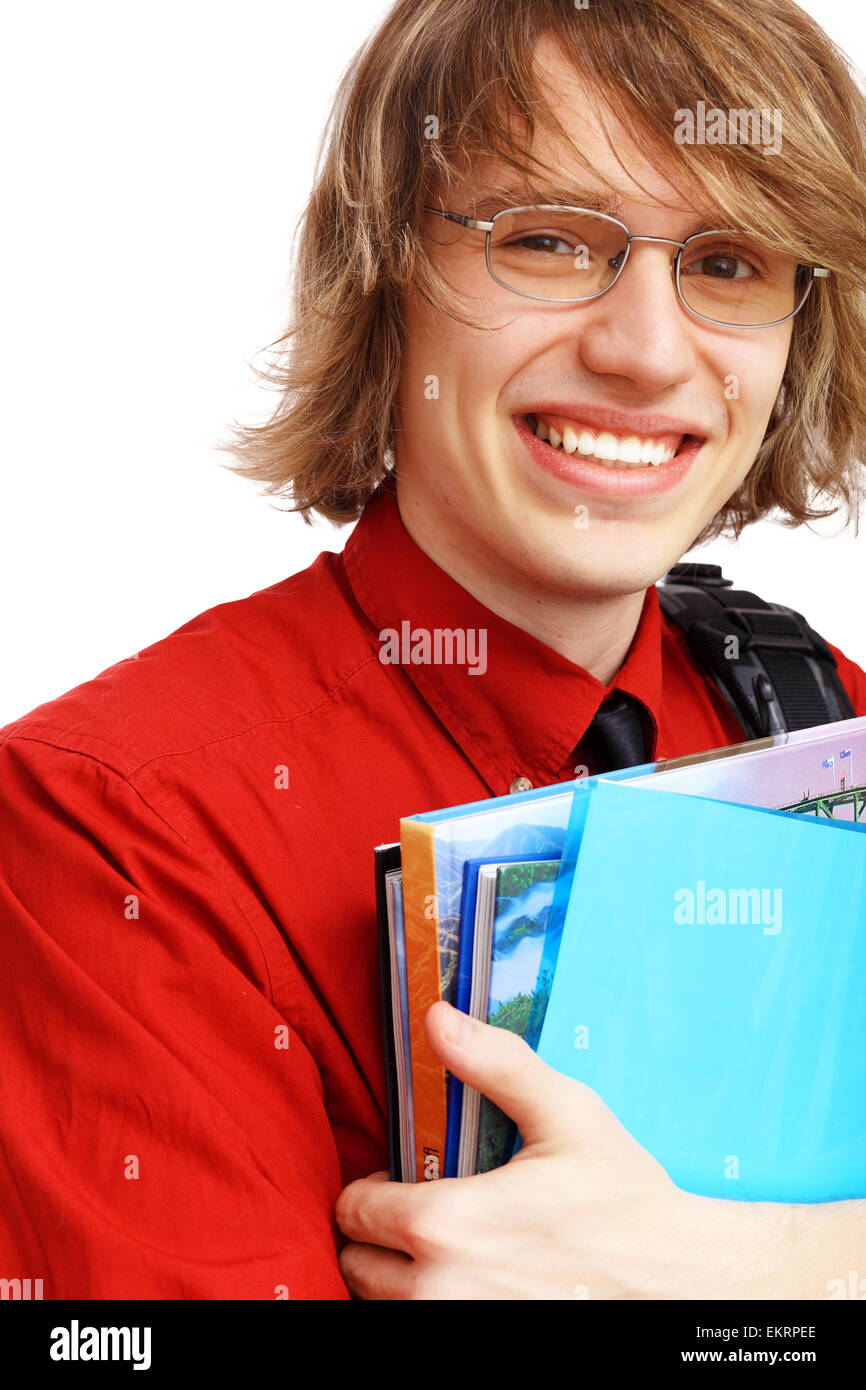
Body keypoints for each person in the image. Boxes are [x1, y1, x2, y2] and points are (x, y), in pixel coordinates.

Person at [2, 0, 865, 1300]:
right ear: (382, 269)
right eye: (545, 241)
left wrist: (762, 1272)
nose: (643, 350)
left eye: (729, 261)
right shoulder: (108, 825)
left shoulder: (825, 719)